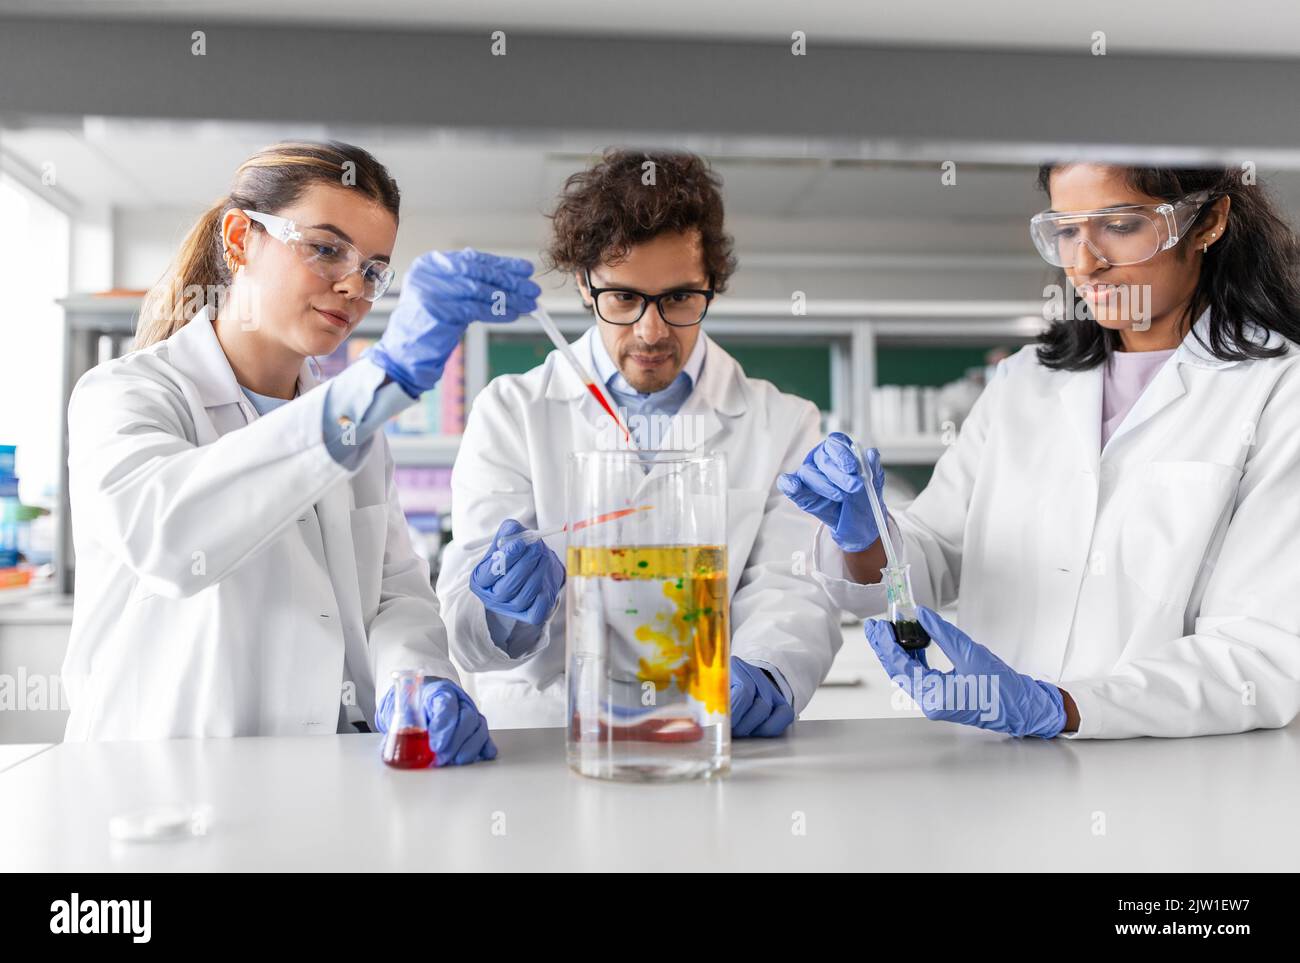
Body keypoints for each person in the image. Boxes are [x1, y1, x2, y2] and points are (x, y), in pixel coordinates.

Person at [782, 162, 1300, 740]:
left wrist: (1060, 706)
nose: (1083, 262)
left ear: (1208, 222)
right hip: (996, 769)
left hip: (1175, 777)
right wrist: (866, 537)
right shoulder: (1024, 382)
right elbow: (937, 555)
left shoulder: (1278, 390)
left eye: (1120, 225)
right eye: (1066, 231)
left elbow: (1260, 654)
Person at [63, 141, 540, 765]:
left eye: (374, 268)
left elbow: (395, 596)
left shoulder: (356, 426)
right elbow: (169, 540)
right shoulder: (127, 394)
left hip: (336, 779)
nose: (352, 285)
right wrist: (379, 382)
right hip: (162, 789)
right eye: (324, 248)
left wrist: (414, 682)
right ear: (240, 238)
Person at [436, 149, 840, 733]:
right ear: (584, 284)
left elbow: (791, 584)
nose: (651, 332)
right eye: (624, 298)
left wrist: (765, 670)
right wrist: (504, 610)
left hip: (704, 727)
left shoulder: (782, 421)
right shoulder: (512, 411)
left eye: (679, 298)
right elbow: (467, 628)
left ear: (711, 286)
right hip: (549, 739)